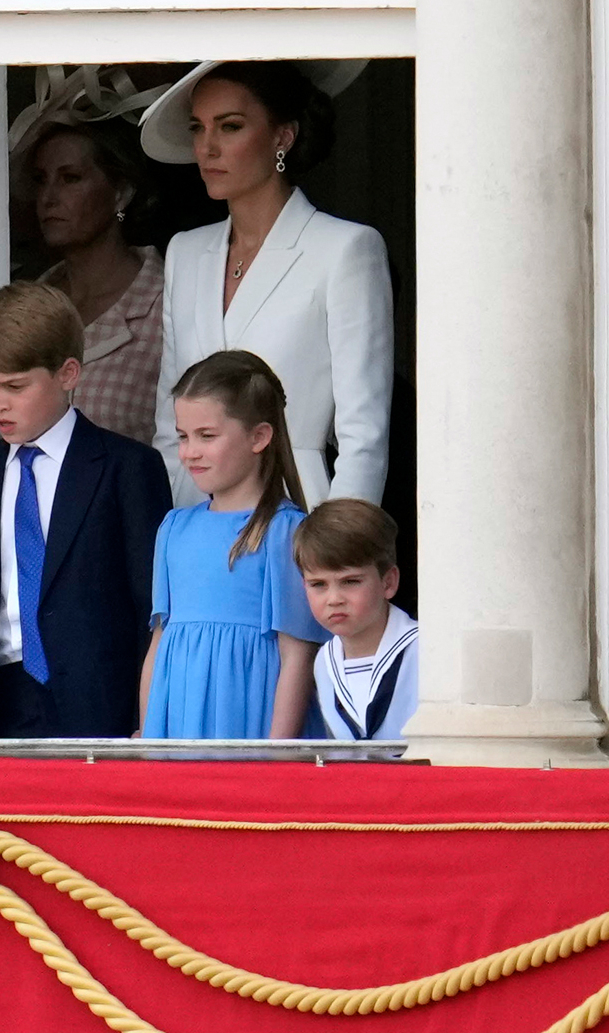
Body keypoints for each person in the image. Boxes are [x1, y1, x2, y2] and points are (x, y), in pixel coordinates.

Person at [139, 60, 394, 508]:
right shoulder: (186, 251)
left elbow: (363, 434)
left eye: (230, 126)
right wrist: (177, 527)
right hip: (198, 518)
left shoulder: (345, 249)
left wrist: (340, 551)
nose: (207, 147)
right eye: (198, 128)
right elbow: (169, 417)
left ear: (283, 136)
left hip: (298, 515)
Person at [0, 281, 172, 740]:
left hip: (100, 708)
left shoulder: (127, 468)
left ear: (68, 373)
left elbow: (152, 609)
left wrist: (144, 723)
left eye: (14, 386)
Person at [139, 350, 327, 739]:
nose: (190, 451)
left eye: (207, 436)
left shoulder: (284, 531)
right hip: (178, 723)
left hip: (250, 722)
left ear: (259, 436)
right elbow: (159, 644)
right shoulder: (174, 527)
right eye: (183, 437)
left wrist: (278, 754)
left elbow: (297, 655)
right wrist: (147, 731)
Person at [9, 67, 167, 445]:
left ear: (120, 192)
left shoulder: (166, 304)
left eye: (70, 178)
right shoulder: (25, 306)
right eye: (41, 179)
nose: (48, 197)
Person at [292, 498, 419, 741]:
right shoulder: (324, 661)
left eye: (350, 582)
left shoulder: (424, 652)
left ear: (388, 582)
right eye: (318, 584)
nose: (334, 599)